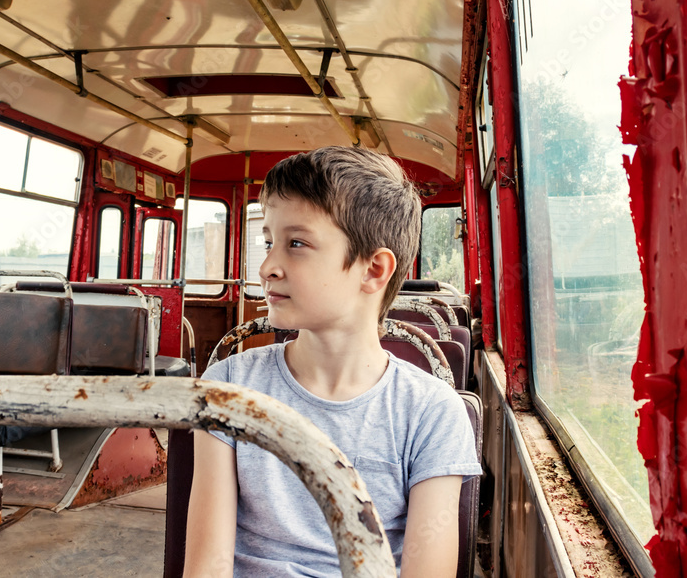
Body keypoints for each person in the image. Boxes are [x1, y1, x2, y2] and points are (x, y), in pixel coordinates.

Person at [185, 147, 481, 577]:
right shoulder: (229, 385)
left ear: (373, 270)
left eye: (297, 244)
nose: (268, 266)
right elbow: (205, 568)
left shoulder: (431, 413)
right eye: (269, 242)